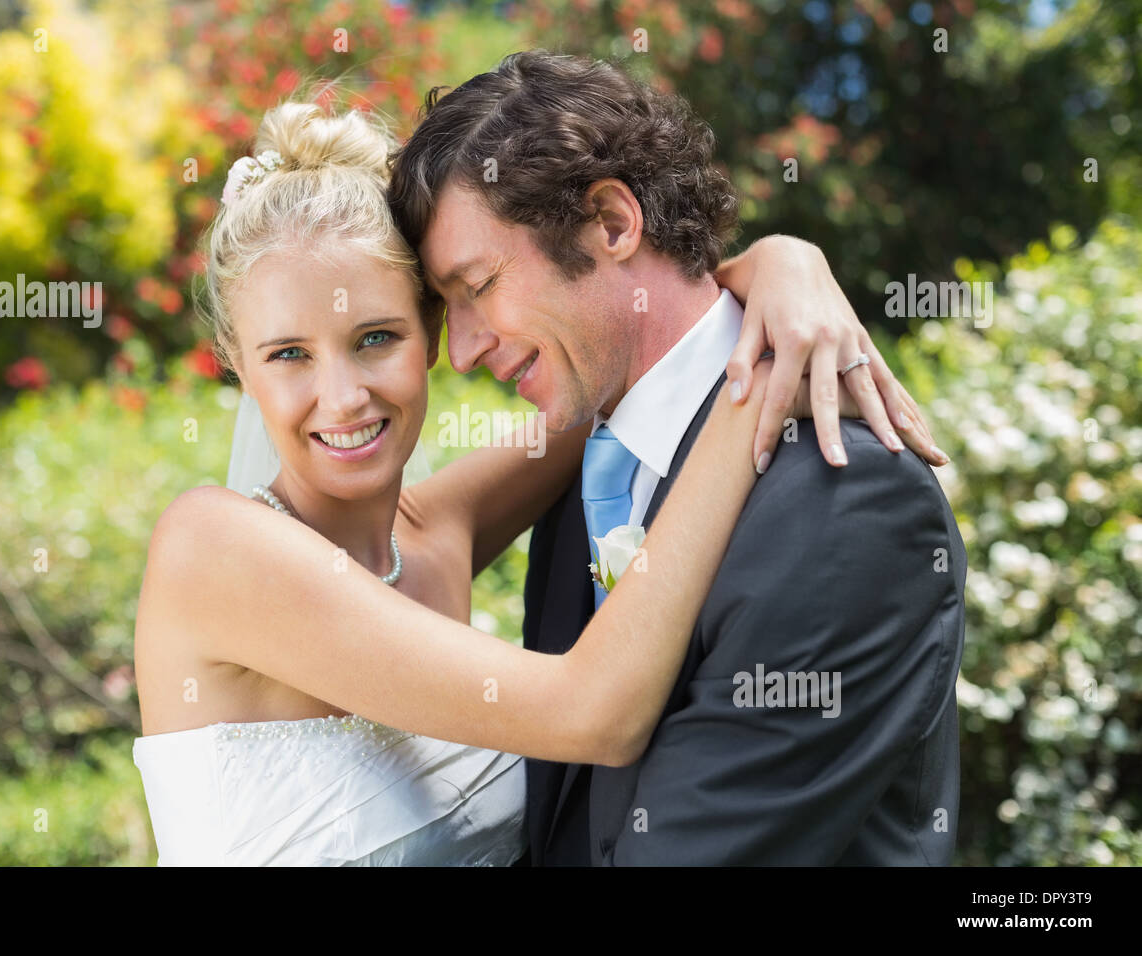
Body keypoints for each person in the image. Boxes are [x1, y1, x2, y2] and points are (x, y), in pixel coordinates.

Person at [131, 94, 939, 865]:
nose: (343, 396)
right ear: (237, 365)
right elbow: (593, 713)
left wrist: (785, 267)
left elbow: (641, 357)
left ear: (431, 330)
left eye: (376, 337)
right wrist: (756, 393)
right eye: (287, 355)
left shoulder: (440, 531)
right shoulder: (212, 548)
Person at [387, 50, 966, 865]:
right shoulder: (587, 456)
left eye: (476, 287)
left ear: (615, 224)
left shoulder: (851, 502)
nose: (465, 350)